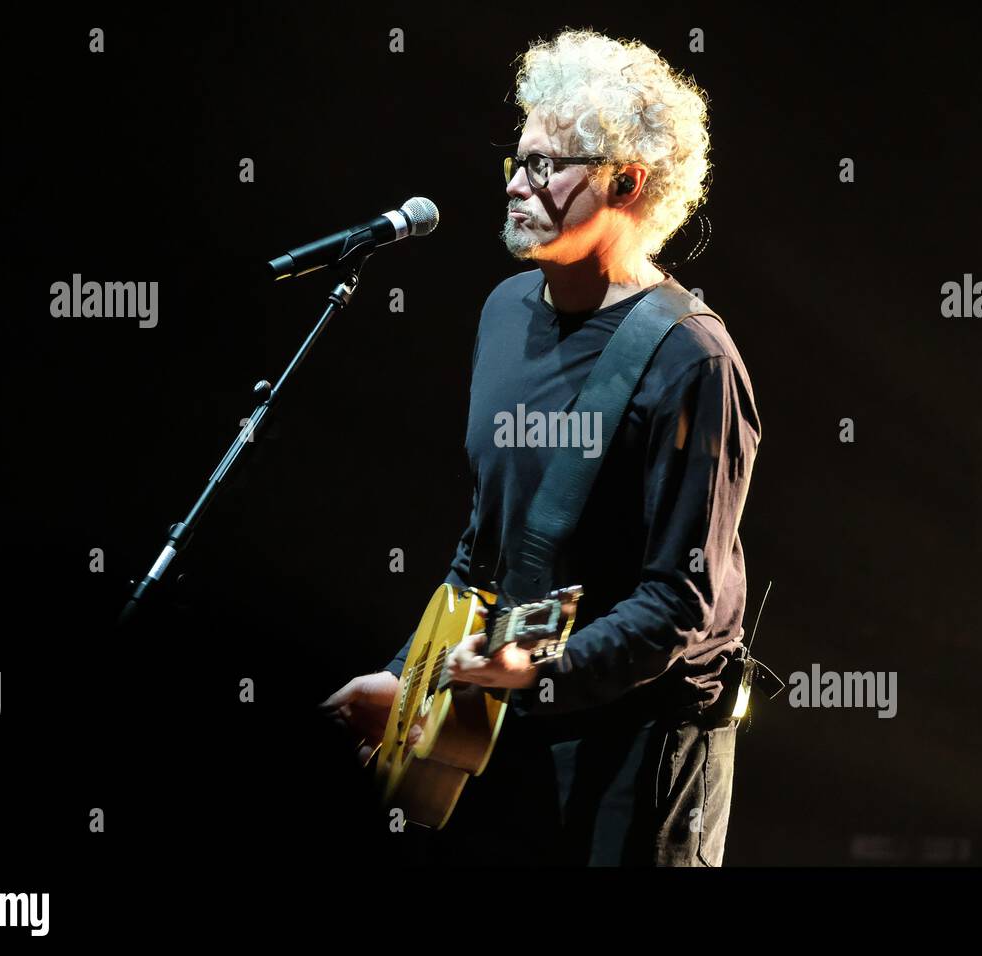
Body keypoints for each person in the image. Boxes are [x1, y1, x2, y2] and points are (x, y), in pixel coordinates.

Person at [323, 27, 760, 866]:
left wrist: (540, 671)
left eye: (546, 165)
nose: (518, 186)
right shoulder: (503, 313)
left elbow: (680, 602)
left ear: (627, 182)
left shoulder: (691, 362)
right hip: (506, 729)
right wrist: (409, 682)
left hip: (641, 750)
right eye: (517, 162)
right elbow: (486, 545)